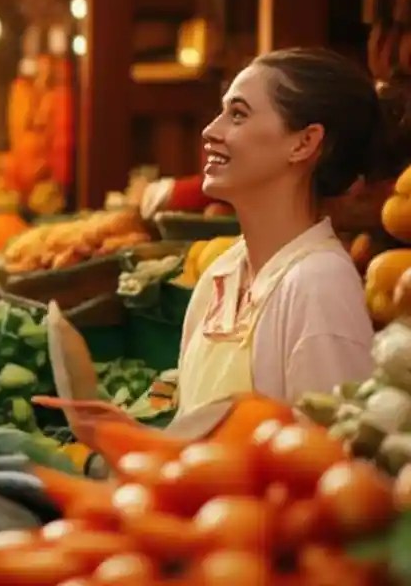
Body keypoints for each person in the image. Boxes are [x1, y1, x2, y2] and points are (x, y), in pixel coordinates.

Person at [63, 48, 410, 447]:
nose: (211, 130)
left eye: (238, 114)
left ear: (304, 143)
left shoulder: (319, 284)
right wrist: (135, 439)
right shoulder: (221, 273)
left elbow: (330, 469)